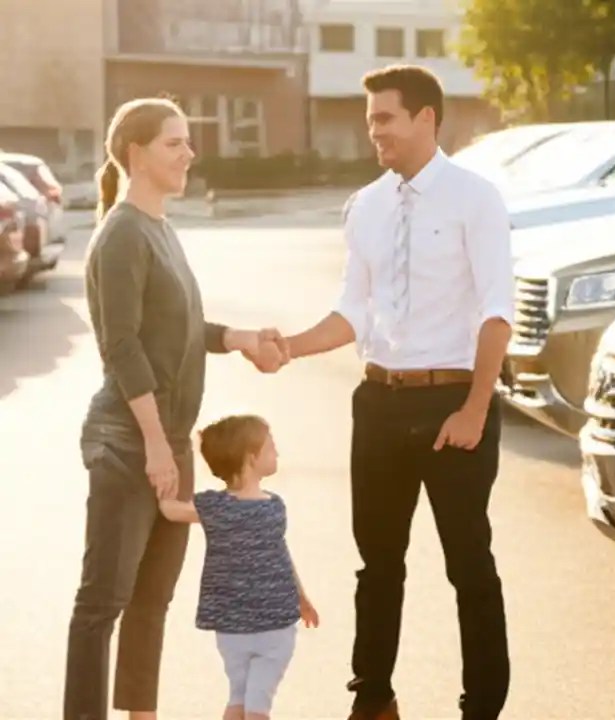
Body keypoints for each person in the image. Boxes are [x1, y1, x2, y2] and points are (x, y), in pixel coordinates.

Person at [262, 65, 514, 720]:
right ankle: (372, 699)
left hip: (452, 405)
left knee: (470, 568)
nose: (373, 131)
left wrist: (476, 408)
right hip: (378, 404)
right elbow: (353, 312)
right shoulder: (367, 206)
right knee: (377, 566)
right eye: (370, 118)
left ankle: (481, 708)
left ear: (426, 118)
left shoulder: (475, 198)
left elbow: (497, 312)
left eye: (385, 118)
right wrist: (290, 346)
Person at [65, 97, 286, 720]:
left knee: (151, 601)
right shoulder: (121, 234)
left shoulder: (158, 228)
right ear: (136, 154)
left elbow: (181, 328)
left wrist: (238, 339)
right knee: (102, 601)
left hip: (169, 440)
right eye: (174, 143)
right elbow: (122, 344)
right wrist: (157, 446)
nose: (189, 152)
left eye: (187, 141)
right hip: (129, 442)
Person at [157, 414, 320, 720]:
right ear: (251, 457)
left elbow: (170, 510)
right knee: (258, 704)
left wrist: (163, 479)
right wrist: (301, 597)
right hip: (275, 624)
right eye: (271, 448)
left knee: (239, 696)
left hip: (230, 626)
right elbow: (281, 554)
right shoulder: (273, 506)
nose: (278, 454)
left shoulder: (214, 507)